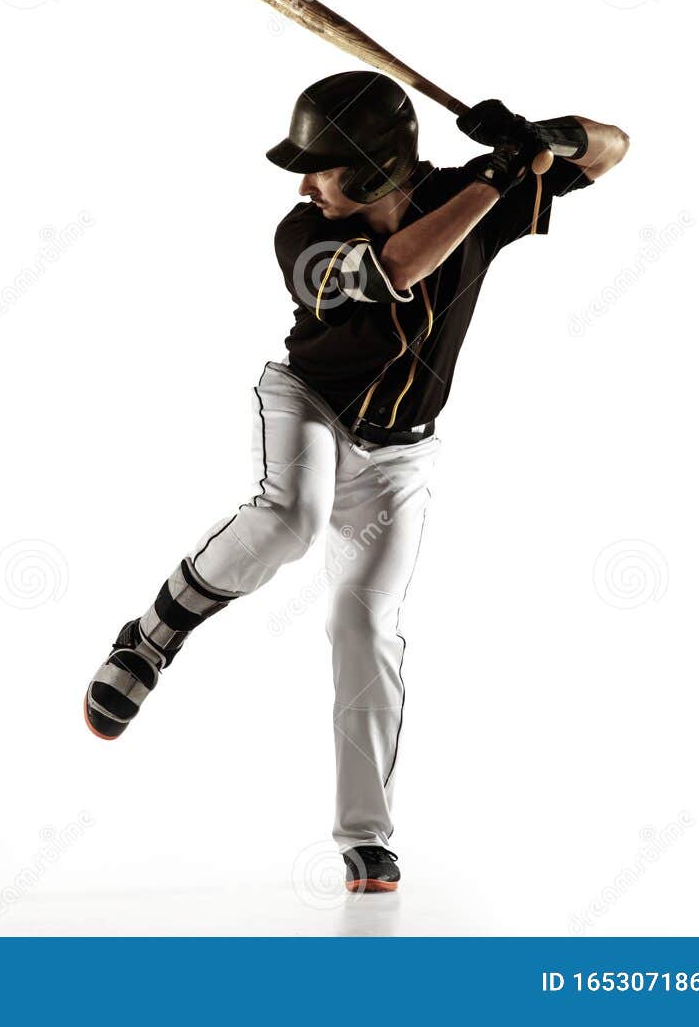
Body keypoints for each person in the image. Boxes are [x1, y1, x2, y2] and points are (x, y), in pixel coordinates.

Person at [83, 71, 629, 893]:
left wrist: (539, 137)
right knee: (290, 521)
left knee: (361, 620)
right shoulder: (303, 230)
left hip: (400, 456)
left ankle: (366, 838)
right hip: (308, 404)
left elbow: (615, 147)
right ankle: (156, 630)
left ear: (375, 168)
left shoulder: (478, 191)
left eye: (325, 164)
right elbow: (399, 266)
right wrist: (500, 173)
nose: (307, 181)